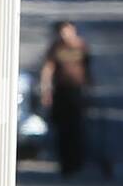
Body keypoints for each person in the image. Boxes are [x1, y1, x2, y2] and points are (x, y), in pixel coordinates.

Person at [40, 20, 93, 177]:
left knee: (77, 128)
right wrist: (45, 91)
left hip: (77, 91)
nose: (65, 35)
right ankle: (65, 163)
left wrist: (90, 88)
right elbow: (48, 68)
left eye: (67, 31)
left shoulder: (81, 46)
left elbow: (87, 68)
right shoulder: (56, 48)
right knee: (62, 129)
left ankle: (77, 161)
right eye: (62, 32)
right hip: (60, 92)